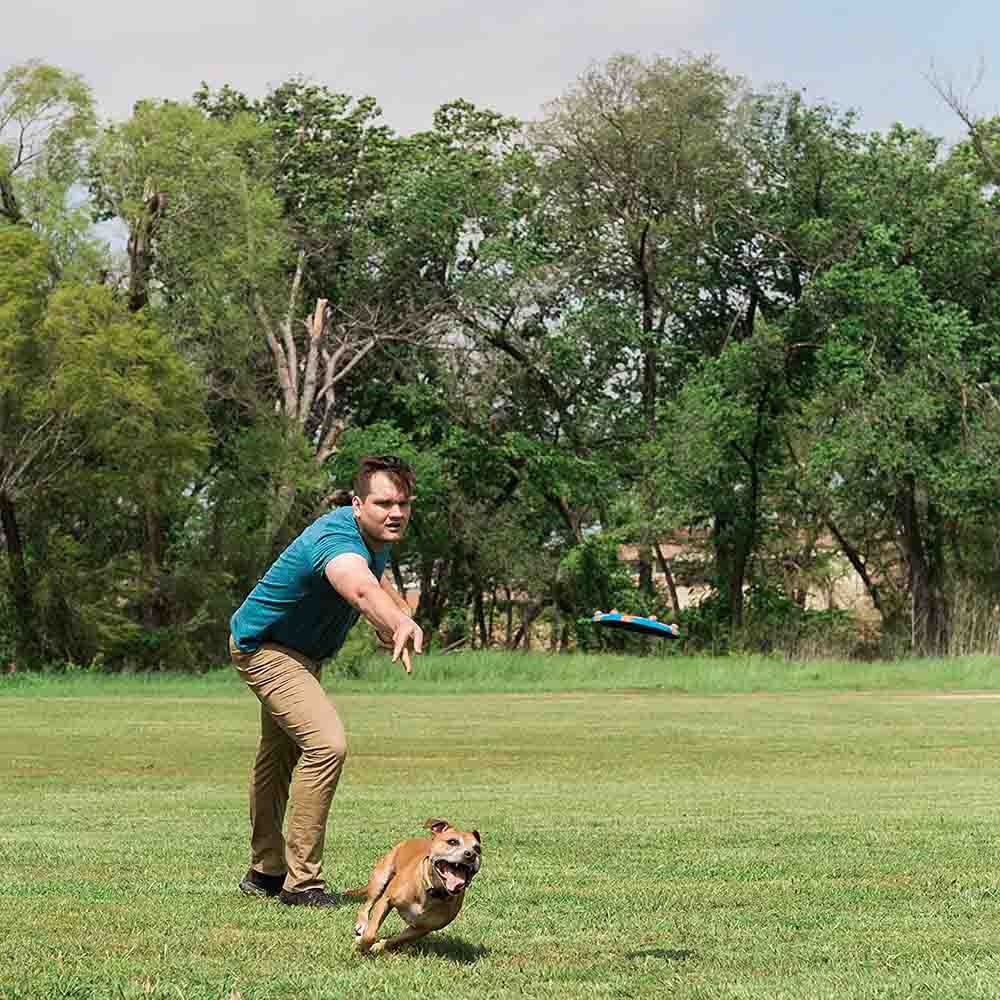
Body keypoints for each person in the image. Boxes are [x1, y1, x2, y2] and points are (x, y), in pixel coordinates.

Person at [228, 455, 423, 907]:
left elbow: (375, 581)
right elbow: (356, 585)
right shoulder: (335, 538)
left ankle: (265, 871)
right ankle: (303, 883)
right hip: (264, 647)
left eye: (404, 503)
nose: (395, 513)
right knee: (326, 744)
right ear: (357, 504)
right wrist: (395, 624)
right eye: (383, 503)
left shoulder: (377, 539)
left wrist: (398, 614)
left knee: (277, 758)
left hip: (303, 656)